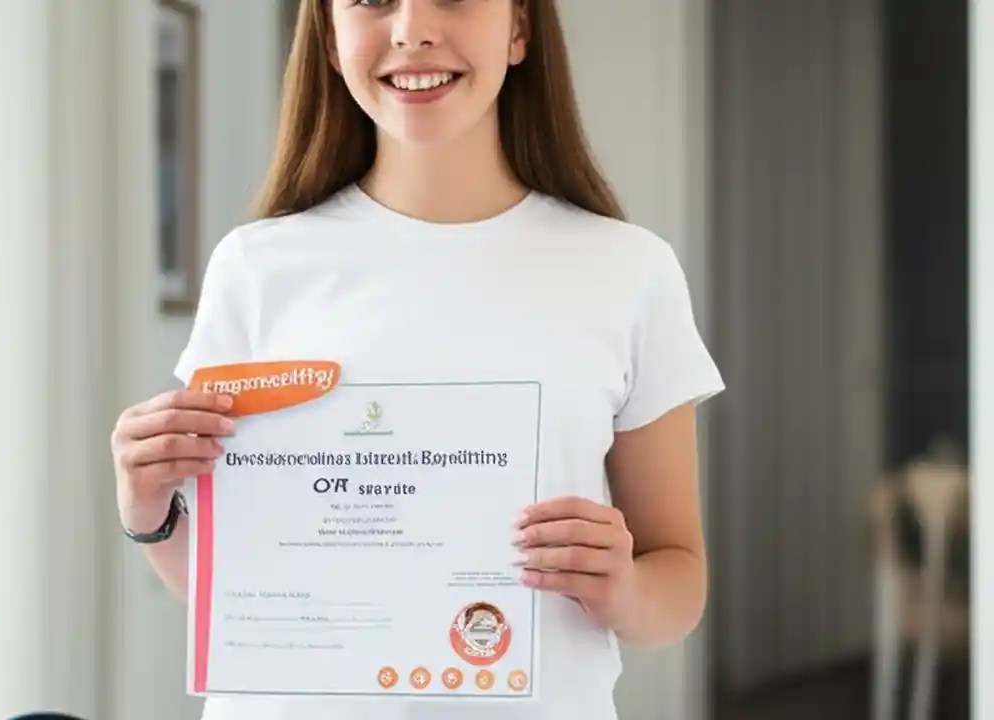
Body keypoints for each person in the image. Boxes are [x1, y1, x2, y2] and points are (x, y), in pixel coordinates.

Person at [109, 1, 725, 718]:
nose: (411, 30)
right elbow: (242, 595)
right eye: (372, 0)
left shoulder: (628, 271)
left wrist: (621, 587)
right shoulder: (256, 268)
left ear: (519, 29)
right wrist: (146, 508)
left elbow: (678, 583)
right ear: (332, 43)